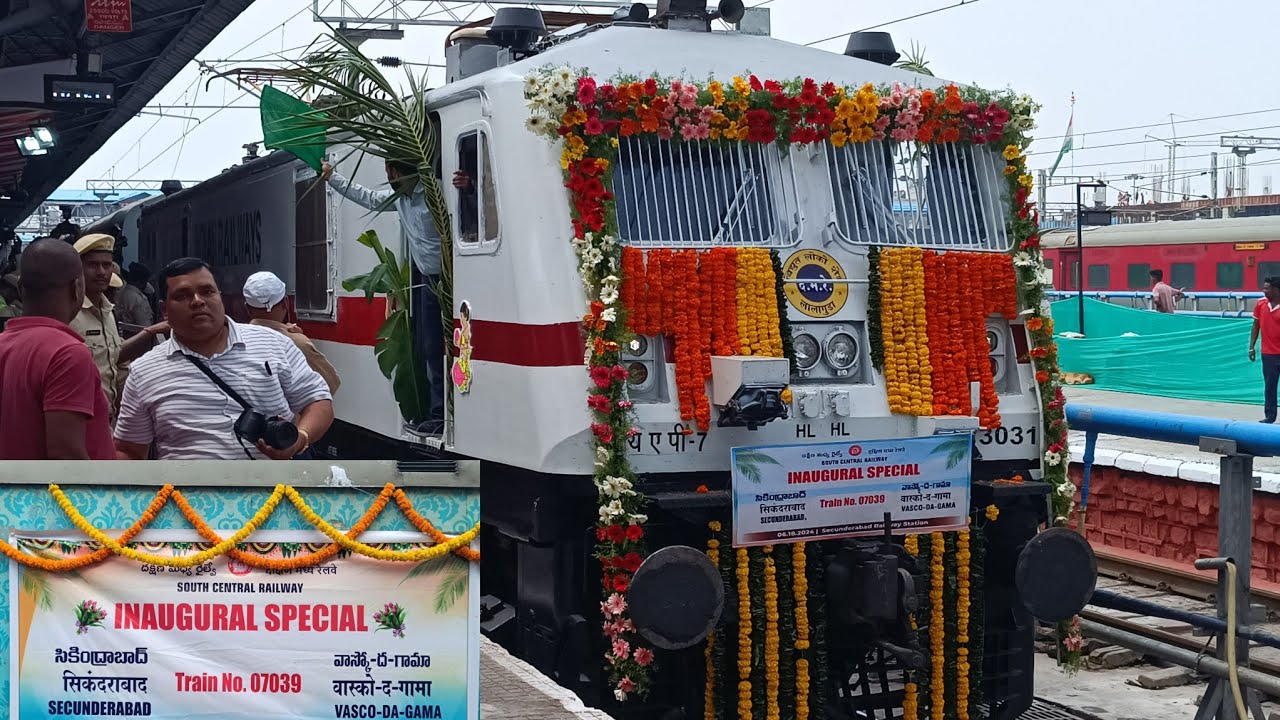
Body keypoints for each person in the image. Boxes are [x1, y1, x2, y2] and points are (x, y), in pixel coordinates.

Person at [114, 257, 334, 460]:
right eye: (183, 295)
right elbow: (129, 451)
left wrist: (300, 439)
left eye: (207, 292)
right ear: (164, 309)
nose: (197, 301)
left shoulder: (274, 344)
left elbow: (317, 401)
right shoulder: (144, 371)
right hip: (188, 501)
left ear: (220, 296)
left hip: (275, 496)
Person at [320, 156, 471, 435]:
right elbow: (366, 197)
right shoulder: (399, 198)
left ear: (396, 171)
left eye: (389, 172)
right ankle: (438, 415)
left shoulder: (436, 191)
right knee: (430, 347)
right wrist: (333, 178)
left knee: (452, 347)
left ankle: (451, 414)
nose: (388, 179)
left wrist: (468, 186)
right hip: (427, 281)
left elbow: (466, 210)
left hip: (453, 279)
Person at [0, 239, 114, 459]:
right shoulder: (67, 354)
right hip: (57, 494)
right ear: (76, 287)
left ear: (21, 288)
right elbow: (67, 457)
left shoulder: (4, 344)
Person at [70, 234, 167, 423]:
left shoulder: (107, 312)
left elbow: (114, 357)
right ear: (77, 269)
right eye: (93, 265)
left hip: (109, 418)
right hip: (81, 418)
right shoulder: (69, 313)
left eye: (106, 265)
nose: (101, 272)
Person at [243, 271, 341, 395]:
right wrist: (300, 337)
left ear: (247, 308)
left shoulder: (234, 341)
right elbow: (330, 384)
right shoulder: (297, 343)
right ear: (286, 302)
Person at [1252, 277, 1280, 424]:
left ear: (1276, 290)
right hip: (1269, 354)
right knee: (1270, 387)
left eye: (1267, 288)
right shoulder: (1260, 304)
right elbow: (1255, 326)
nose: (1264, 291)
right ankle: (1270, 416)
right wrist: (1251, 347)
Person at [114, 262, 156, 338]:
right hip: (137, 341)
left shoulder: (119, 293)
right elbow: (146, 329)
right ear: (142, 282)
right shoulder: (139, 299)